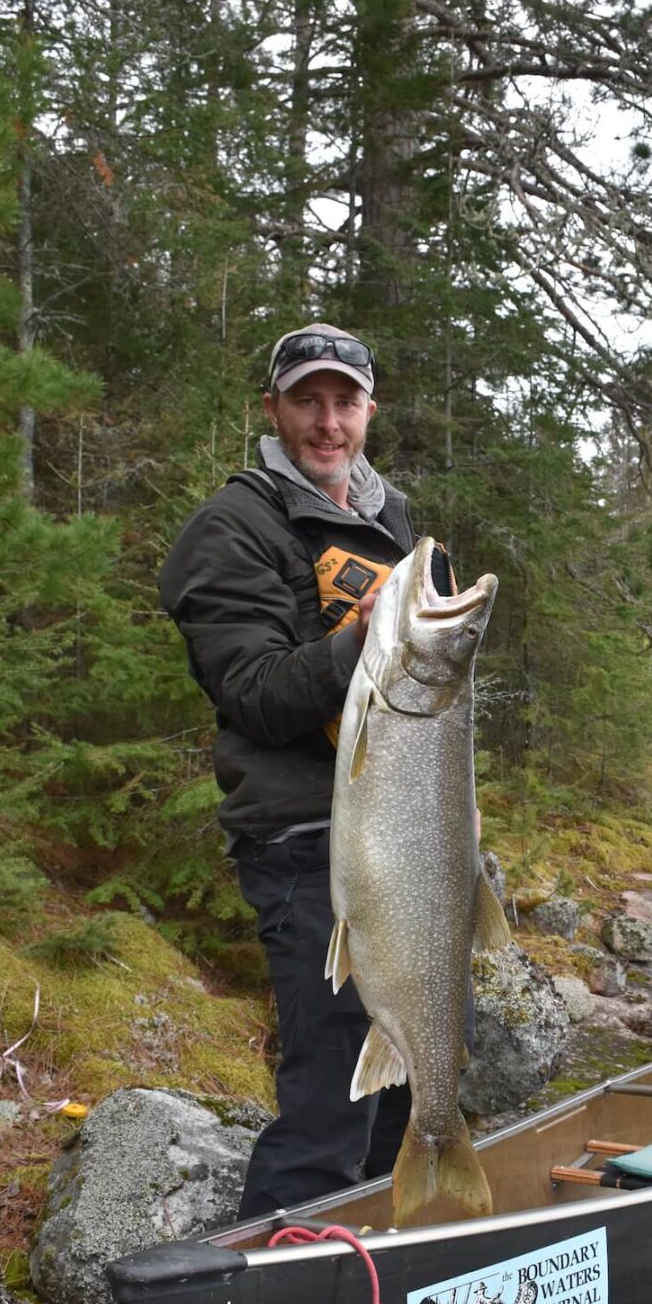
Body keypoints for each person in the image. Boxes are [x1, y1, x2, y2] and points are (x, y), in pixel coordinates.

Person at [160, 322, 456, 1219]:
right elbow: (252, 692)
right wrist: (365, 638)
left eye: (344, 402)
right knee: (331, 1088)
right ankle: (279, 1266)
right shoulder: (233, 526)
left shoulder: (392, 520)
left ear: (370, 411)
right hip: (305, 846)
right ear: (274, 409)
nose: (328, 422)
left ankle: (400, 1243)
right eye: (307, 401)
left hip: (411, 841)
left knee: (414, 1070)